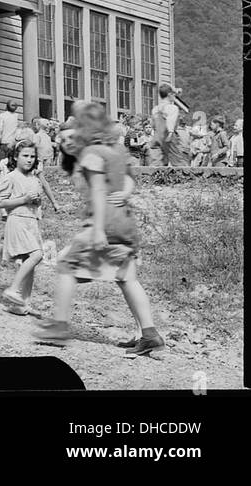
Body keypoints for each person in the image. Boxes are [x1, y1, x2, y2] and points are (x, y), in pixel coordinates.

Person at [34, 102, 164, 357]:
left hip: (105, 223)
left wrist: (97, 230)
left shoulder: (92, 154)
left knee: (67, 267)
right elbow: (126, 179)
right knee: (126, 278)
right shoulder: (114, 150)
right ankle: (150, 335)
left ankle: (59, 326)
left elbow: (98, 191)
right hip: (126, 224)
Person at [0, 140, 58, 315]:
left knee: (28, 263)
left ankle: (22, 304)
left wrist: (36, 200)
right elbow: (1, 202)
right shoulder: (11, 177)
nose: (29, 160)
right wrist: (23, 199)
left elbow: (35, 197)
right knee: (37, 255)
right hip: (17, 220)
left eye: (32, 156)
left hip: (31, 220)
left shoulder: (34, 178)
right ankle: (13, 289)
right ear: (15, 157)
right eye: (25, 156)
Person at [147, 84, 181, 166]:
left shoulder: (155, 109)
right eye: (174, 94)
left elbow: (153, 124)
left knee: (157, 162)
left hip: (157, 136)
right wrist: (170, 133)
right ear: (169, 95)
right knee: (176, 162)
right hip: (168, 136)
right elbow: (170, 121)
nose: (175, 97)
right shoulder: (173, 108)